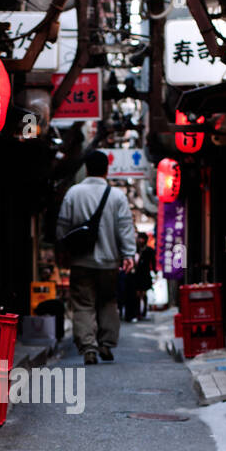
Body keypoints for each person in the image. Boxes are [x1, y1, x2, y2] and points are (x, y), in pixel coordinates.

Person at [56, 150, 136, 364]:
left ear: (87, 169)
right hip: (109, 261)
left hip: (81, 261)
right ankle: (106, 344)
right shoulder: (117, 195)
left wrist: (63, 251)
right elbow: (125, 227)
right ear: (106, 169)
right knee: (108, 301)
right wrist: (128, 254)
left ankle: (88, 347)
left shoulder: (74, 193)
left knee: (83, 304)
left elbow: (62, 226)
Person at [133, 233, 156, 320]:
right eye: (140, 238)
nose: (141, 240)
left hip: (145, 273)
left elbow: (153, 261)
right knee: (137, 294)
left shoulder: (149, 250)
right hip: (137, 273)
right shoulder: (136, 249)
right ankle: (138, 312)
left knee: (144, 293)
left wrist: (154, 271)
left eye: (142, 239)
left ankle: (144, 311)